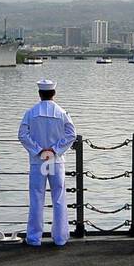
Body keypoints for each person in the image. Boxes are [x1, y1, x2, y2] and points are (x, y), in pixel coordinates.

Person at [18, 79, 77, 247]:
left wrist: (38, 150)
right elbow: (71, 134)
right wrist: (55, 149)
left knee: (36, 198)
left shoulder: (31, 113)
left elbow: (22, 135)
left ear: (39, 93)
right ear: (54, 93)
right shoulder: (61, 113)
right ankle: (60, 237)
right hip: (56, 160)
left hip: (38, 161)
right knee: (58, 198)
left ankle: (34, 238)